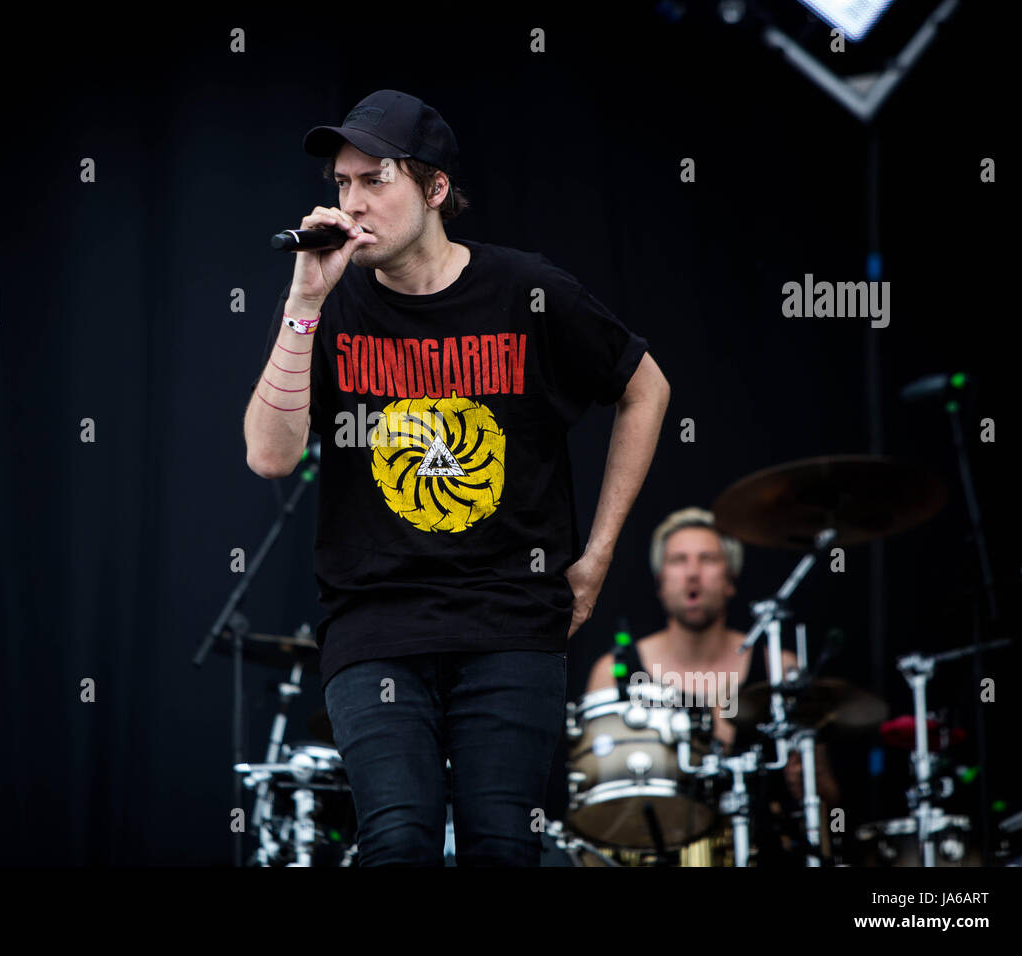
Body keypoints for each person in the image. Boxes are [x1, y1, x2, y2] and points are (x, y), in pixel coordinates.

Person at [243, 90, 670, 866]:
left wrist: (599, 553)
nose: (352, 201)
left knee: (502, 846)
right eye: (341, 183)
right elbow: (271, 455)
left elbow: (646, 387)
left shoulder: (525, 290)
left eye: (375, 180)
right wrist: (305, 299)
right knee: (398, 841)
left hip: (509, 618)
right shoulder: (328, 304)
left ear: (435, 189)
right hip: (376, 622)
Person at [586, 507, 842, 858]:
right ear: (660, 582)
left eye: (707, 559)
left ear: (730, 580)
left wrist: (809, 781)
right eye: (678, 560)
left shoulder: (780, 669)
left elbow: (827, 801)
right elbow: (594, 810)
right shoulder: (613, 672)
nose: (693, 573)